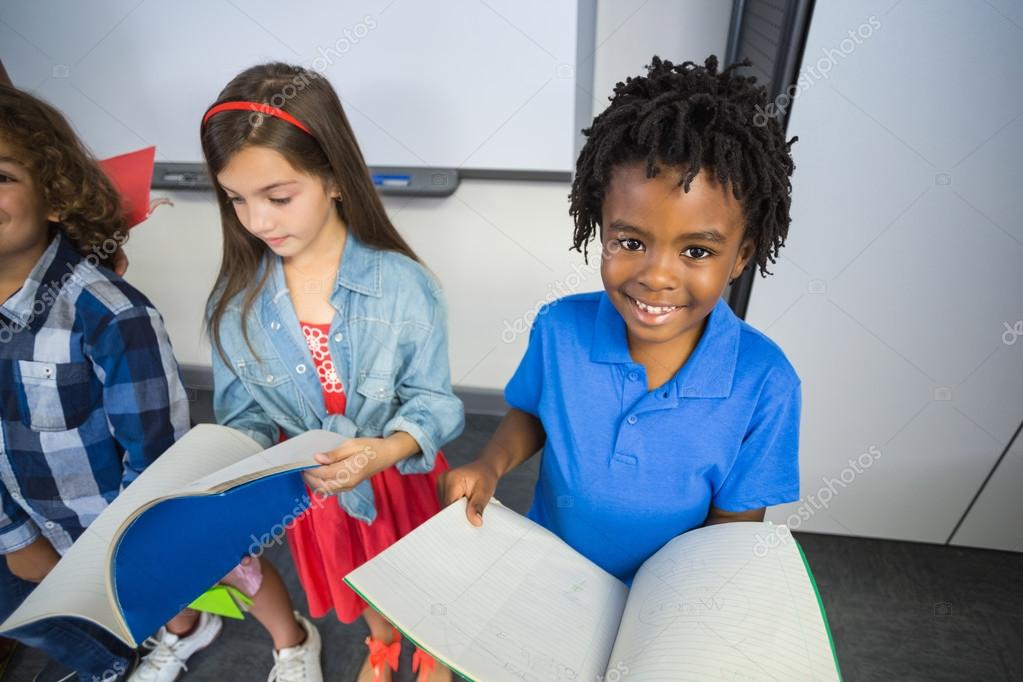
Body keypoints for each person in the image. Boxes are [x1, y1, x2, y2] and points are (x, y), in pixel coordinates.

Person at [439, 55, 802, 587]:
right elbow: (534, 413)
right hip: (545, 567)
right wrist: (489, 466)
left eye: (697, 251)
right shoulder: (559, 329)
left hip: (659, 599)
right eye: (630, 242)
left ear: (742, 255)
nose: (656, 277)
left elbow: (731, 533)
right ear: (600, 228)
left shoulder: (766, 383)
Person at [202, 63, 463, 682]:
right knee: (357, 578)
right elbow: (245, 418)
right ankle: (381, 643)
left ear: (335, 179)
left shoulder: (405, 286)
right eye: (236, 199)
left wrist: (385, 449)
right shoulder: (233, 305)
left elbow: (436, 401)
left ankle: (432, 648)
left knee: (420, 576)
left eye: (278, 197)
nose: (258, 221)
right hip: (316, 489)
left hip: (400, 475)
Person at [0, 84, 188, 682]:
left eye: (1, 176)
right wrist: (14, 536)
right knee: (33, 619)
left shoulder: (112, 316)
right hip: (14, 530)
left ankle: (120, 654)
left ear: (54, 197)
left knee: (105, 632)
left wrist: (116, 559)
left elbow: (157, 459)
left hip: (100, 549)